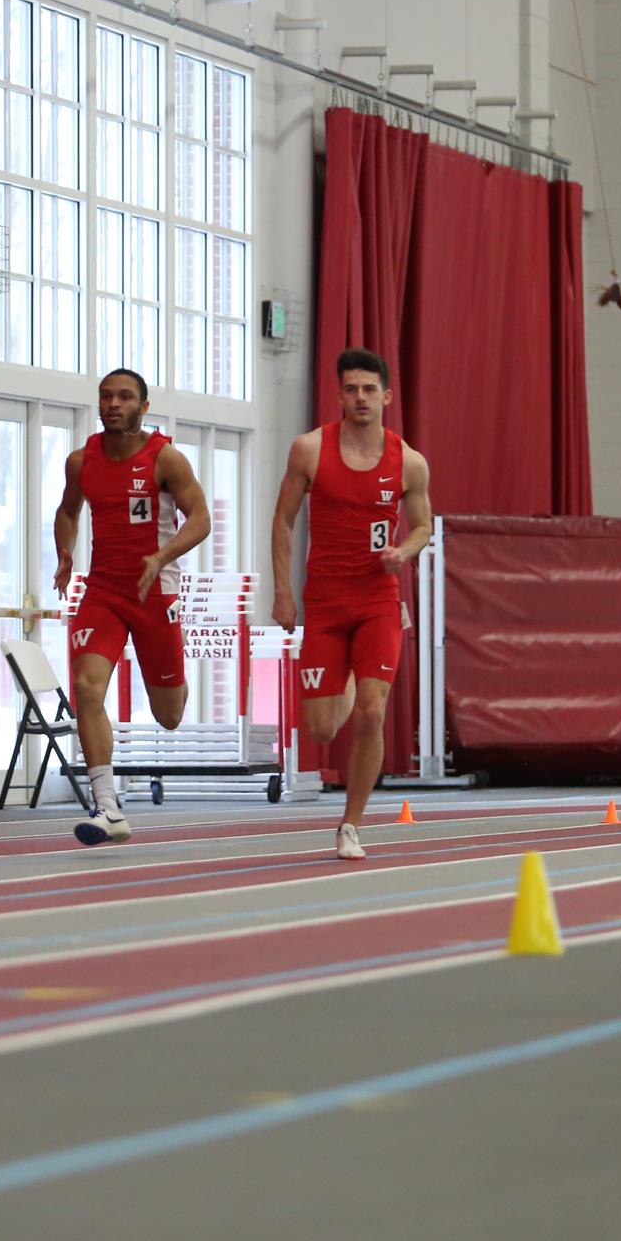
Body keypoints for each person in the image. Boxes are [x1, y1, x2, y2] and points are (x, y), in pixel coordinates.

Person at [271, 348, 433, 861]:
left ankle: (350, 825)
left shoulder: (408, 461)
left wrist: (403, 551)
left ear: (385, 396)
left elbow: (424, 525)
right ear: (339, 394)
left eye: (369, 389)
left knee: (371, 712)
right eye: (351, 389)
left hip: (378, 601)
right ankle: (344, 674)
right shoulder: (309, 450)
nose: (360, 397)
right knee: (319, 729)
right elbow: (283, 520)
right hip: (324, 602)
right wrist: (282, 591)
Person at [53, 368, 210, 845]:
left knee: (169, 715)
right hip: (103, 592)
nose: (113, 404)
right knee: (86, 686)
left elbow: (201, 519)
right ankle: (107, 806)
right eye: (106, 396)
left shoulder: (166, 459)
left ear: (144, 406)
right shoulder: (82, 461)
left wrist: (162, 555)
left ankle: (174, 677)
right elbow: (68, 510)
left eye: (124, 397)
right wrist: (65, 553)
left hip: (154, 591)